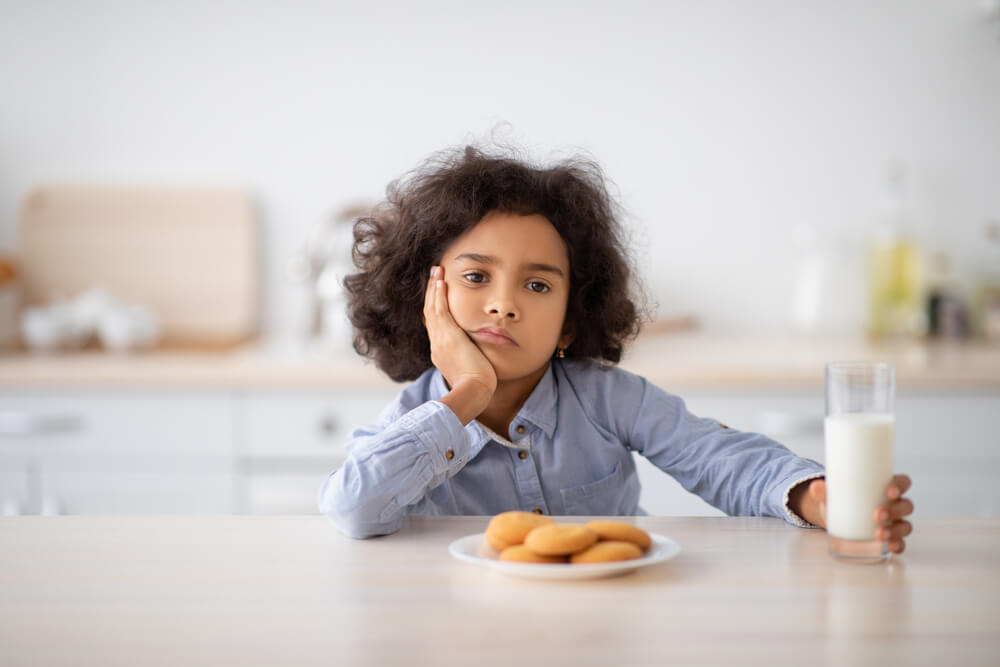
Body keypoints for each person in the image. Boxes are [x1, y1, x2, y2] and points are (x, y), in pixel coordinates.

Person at [317, 144, 914, 551]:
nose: (503, 304)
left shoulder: (608, 400)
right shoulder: (414, 422)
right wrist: (470, 393)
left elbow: (717, 457)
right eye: (476, 278)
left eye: (537, 284)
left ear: (570, 322)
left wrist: (816, 497)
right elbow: (353, 509)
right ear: (428, 299)